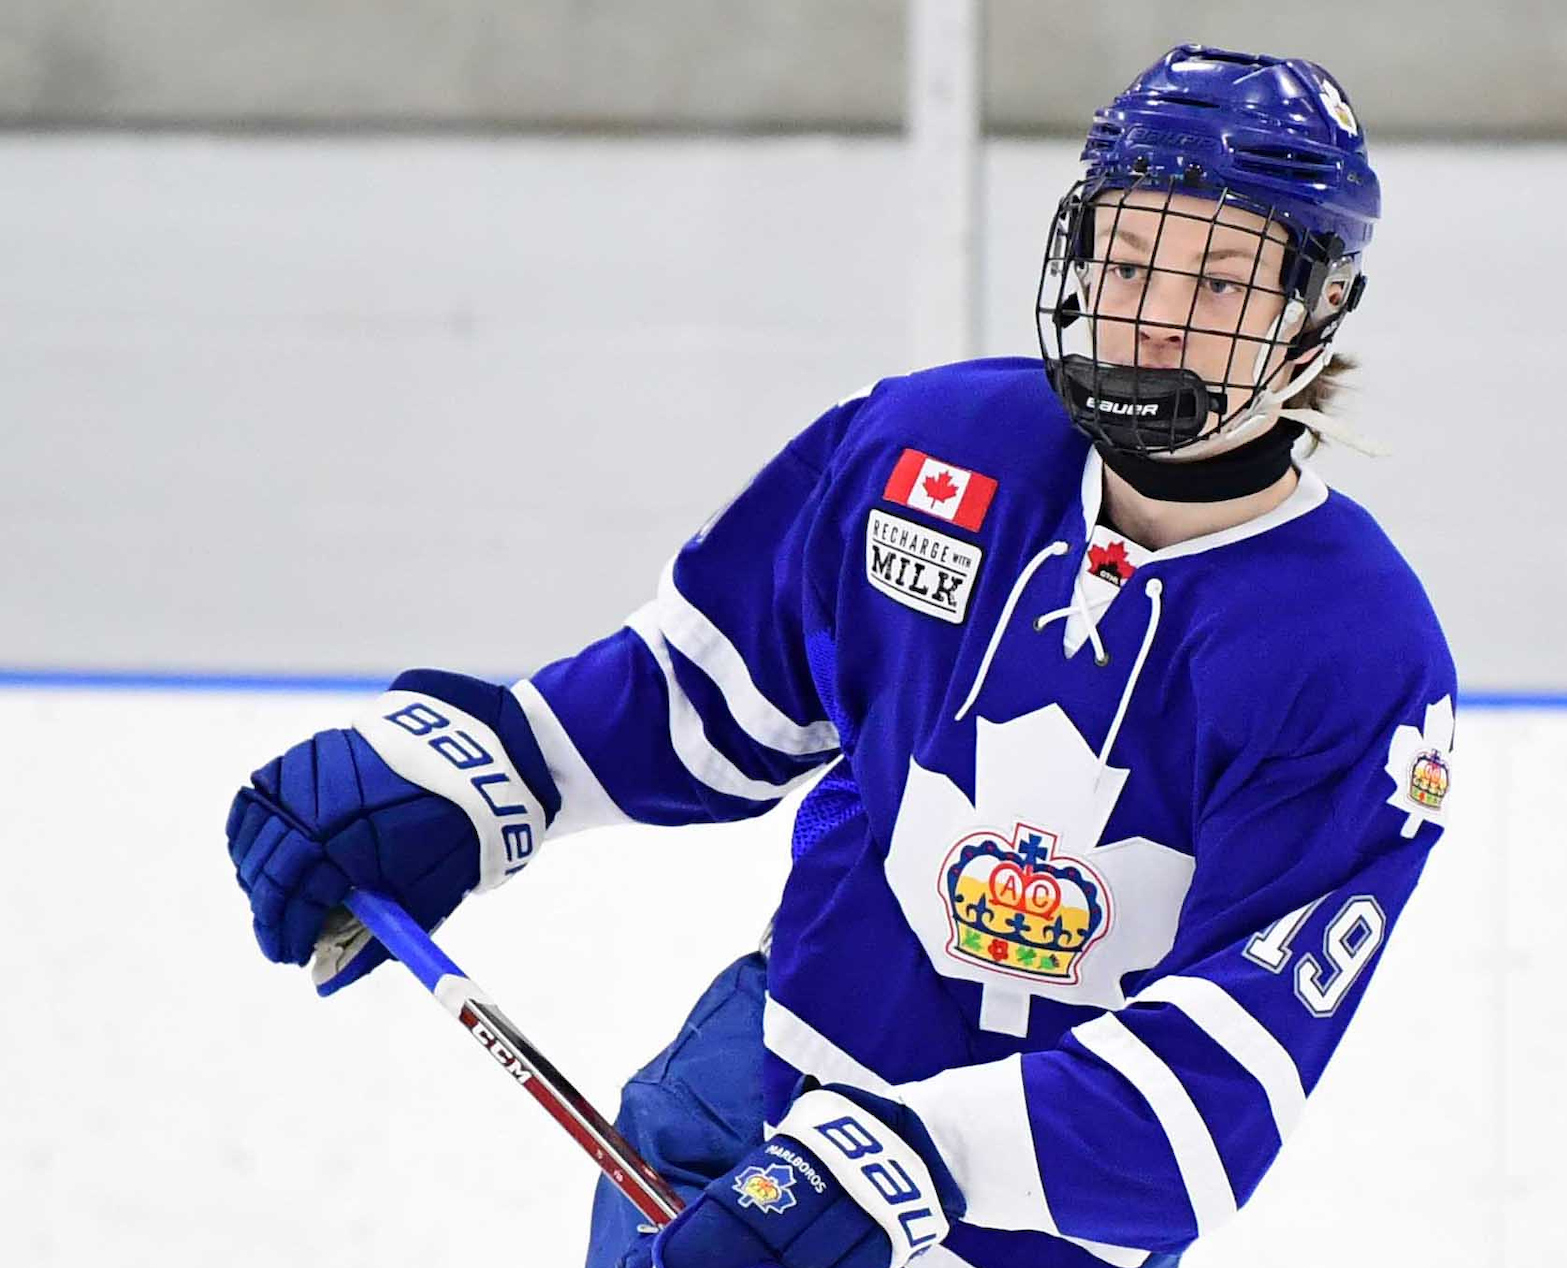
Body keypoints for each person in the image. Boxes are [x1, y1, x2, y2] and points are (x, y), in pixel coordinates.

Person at [225, 44, 1456, 1268]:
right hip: (754, 1096)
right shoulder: (928, 444)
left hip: (1023, 1236)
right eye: (1128, 256)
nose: (1150, 316)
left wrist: (914, 1163)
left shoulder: (1356, 652)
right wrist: (485, 770)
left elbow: (1210, 1095)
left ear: (1320, 307)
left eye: (1219, 279)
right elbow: (705, 690)